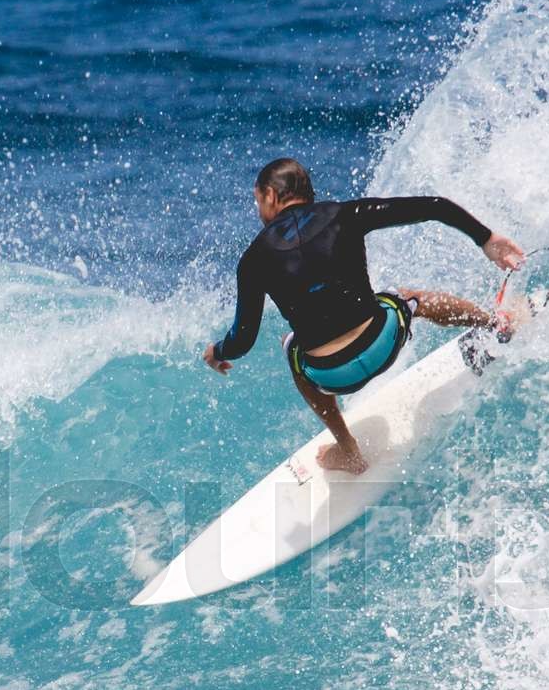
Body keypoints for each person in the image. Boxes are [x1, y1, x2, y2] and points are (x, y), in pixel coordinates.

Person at [202, 158, 526, 474]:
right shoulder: (345, 214)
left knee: (292, 347)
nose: (259, 210)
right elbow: (435, 206)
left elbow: (243, 340)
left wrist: (218, 352)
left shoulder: (253, 260)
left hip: (330, 375)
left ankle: (348, 451)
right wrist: (486, 239)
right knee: (411, 298)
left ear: (271, 196)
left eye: (258, 201)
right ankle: (497, 323)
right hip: (382, 343)